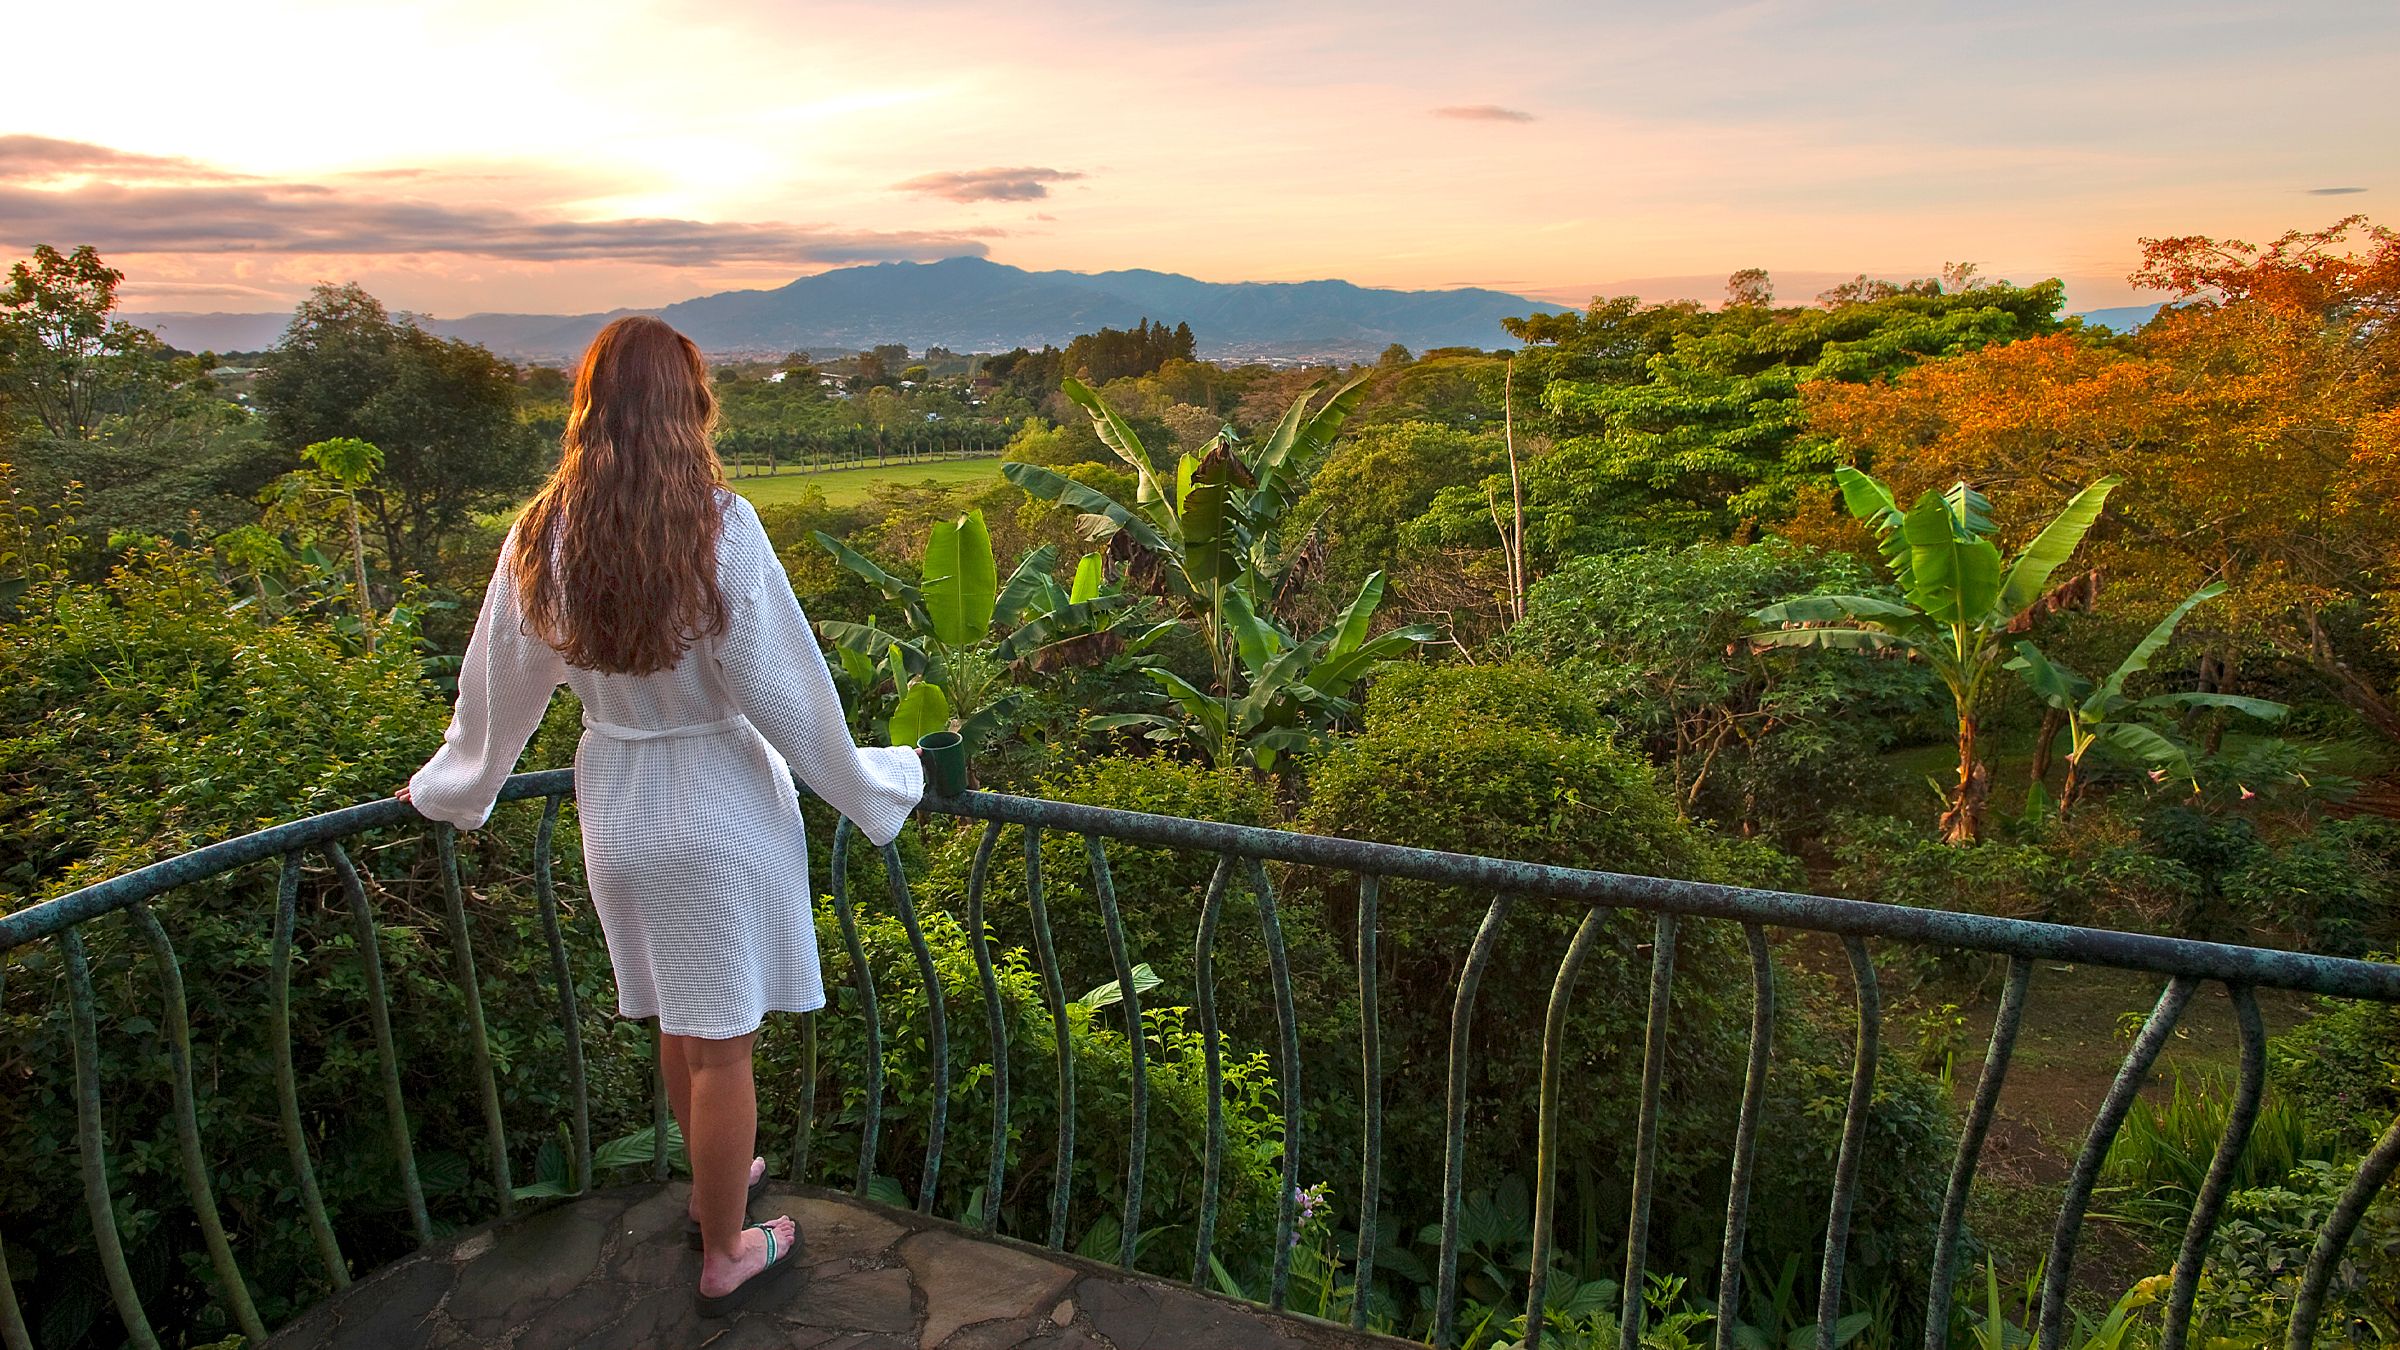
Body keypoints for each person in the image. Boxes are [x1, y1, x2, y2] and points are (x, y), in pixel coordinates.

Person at [399, 314, 923, 1318]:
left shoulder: (544, 531)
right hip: (718, 801)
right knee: (724, 1043)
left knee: (684, 1020)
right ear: (689, 407)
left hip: (620, 807)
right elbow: (784, 693)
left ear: (589, 403)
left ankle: (712, 1192)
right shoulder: (718, 526)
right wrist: (873, 784)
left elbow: (497, 691)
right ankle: (725, 1248)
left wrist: (451, 787)